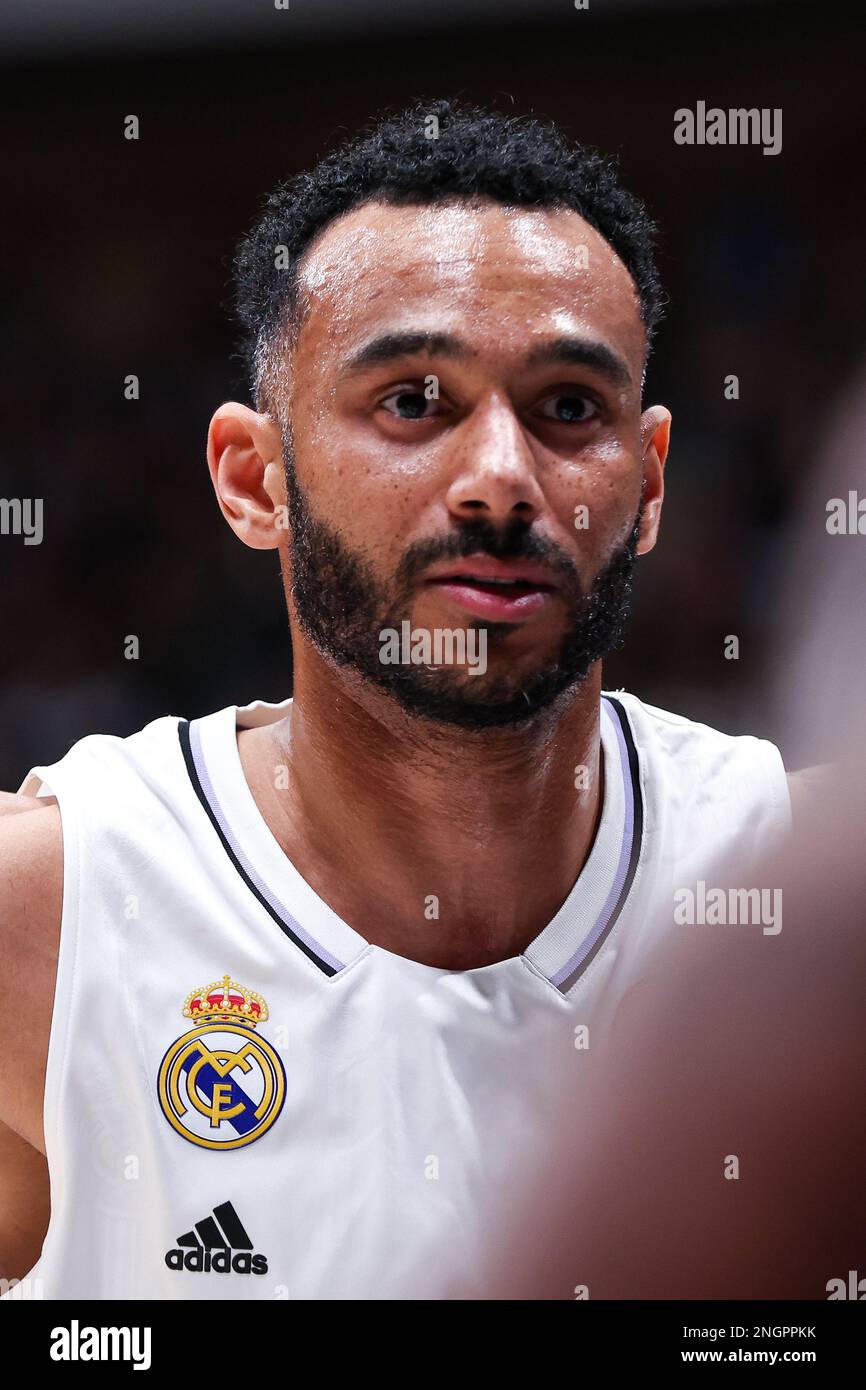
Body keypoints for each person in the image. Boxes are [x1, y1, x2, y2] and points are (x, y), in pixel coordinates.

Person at [0, 100, 801, 1300]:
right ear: (253, 479)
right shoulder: (45, 920)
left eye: (567, 407)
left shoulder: (786, 887)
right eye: (413, 403)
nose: (497, 481)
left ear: (645, 484)